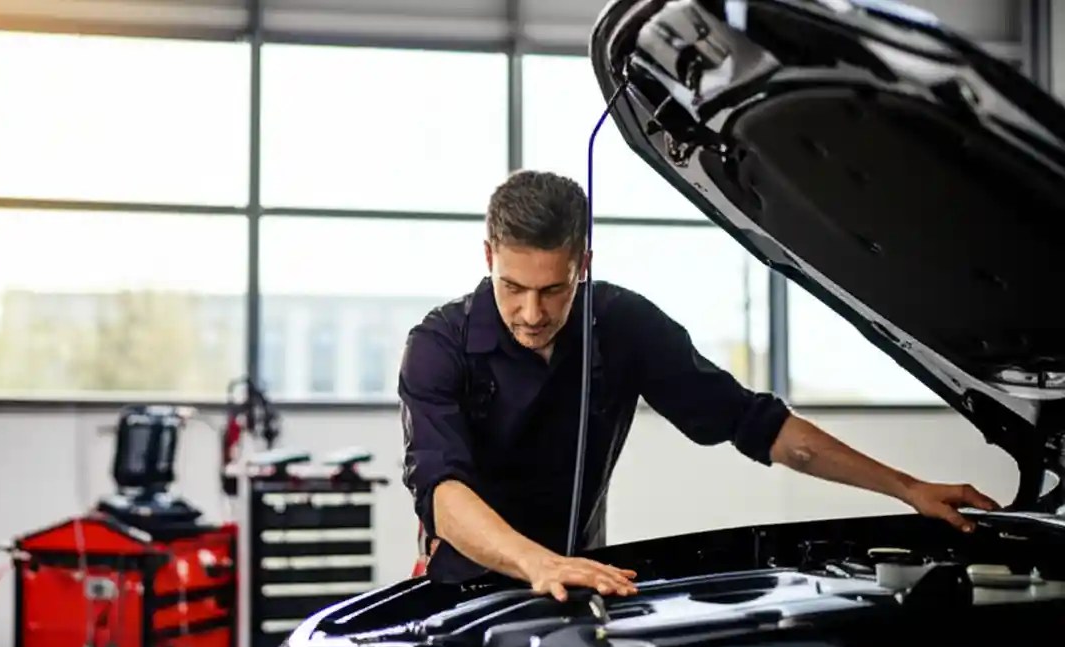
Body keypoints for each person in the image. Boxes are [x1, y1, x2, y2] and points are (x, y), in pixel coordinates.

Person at [396, 169, 1000, 602]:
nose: (531, 312)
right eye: (512, 288)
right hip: (462, 593)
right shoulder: (437, 347)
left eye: (553, 290)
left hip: (580, 583)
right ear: (487, 256)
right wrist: (537, 562)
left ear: (583, 261)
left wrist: (907, 487)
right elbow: (443, 492)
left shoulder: (624, 325)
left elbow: (757, 424)